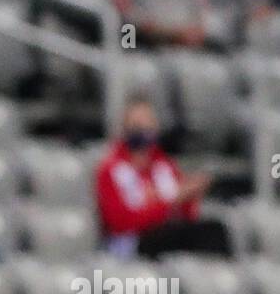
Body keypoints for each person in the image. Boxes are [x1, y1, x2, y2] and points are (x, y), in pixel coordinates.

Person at [95, 95, 229, 258]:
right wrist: (167, 202)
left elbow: (186, 214)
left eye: (147, 123)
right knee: (180, 236)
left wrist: (190, 195)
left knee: (213, 229)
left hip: (166, 233)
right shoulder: (111, 170)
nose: (142, 129)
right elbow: (120, 222)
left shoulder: (164, 165)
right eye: (136, 124)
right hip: (133, 241)